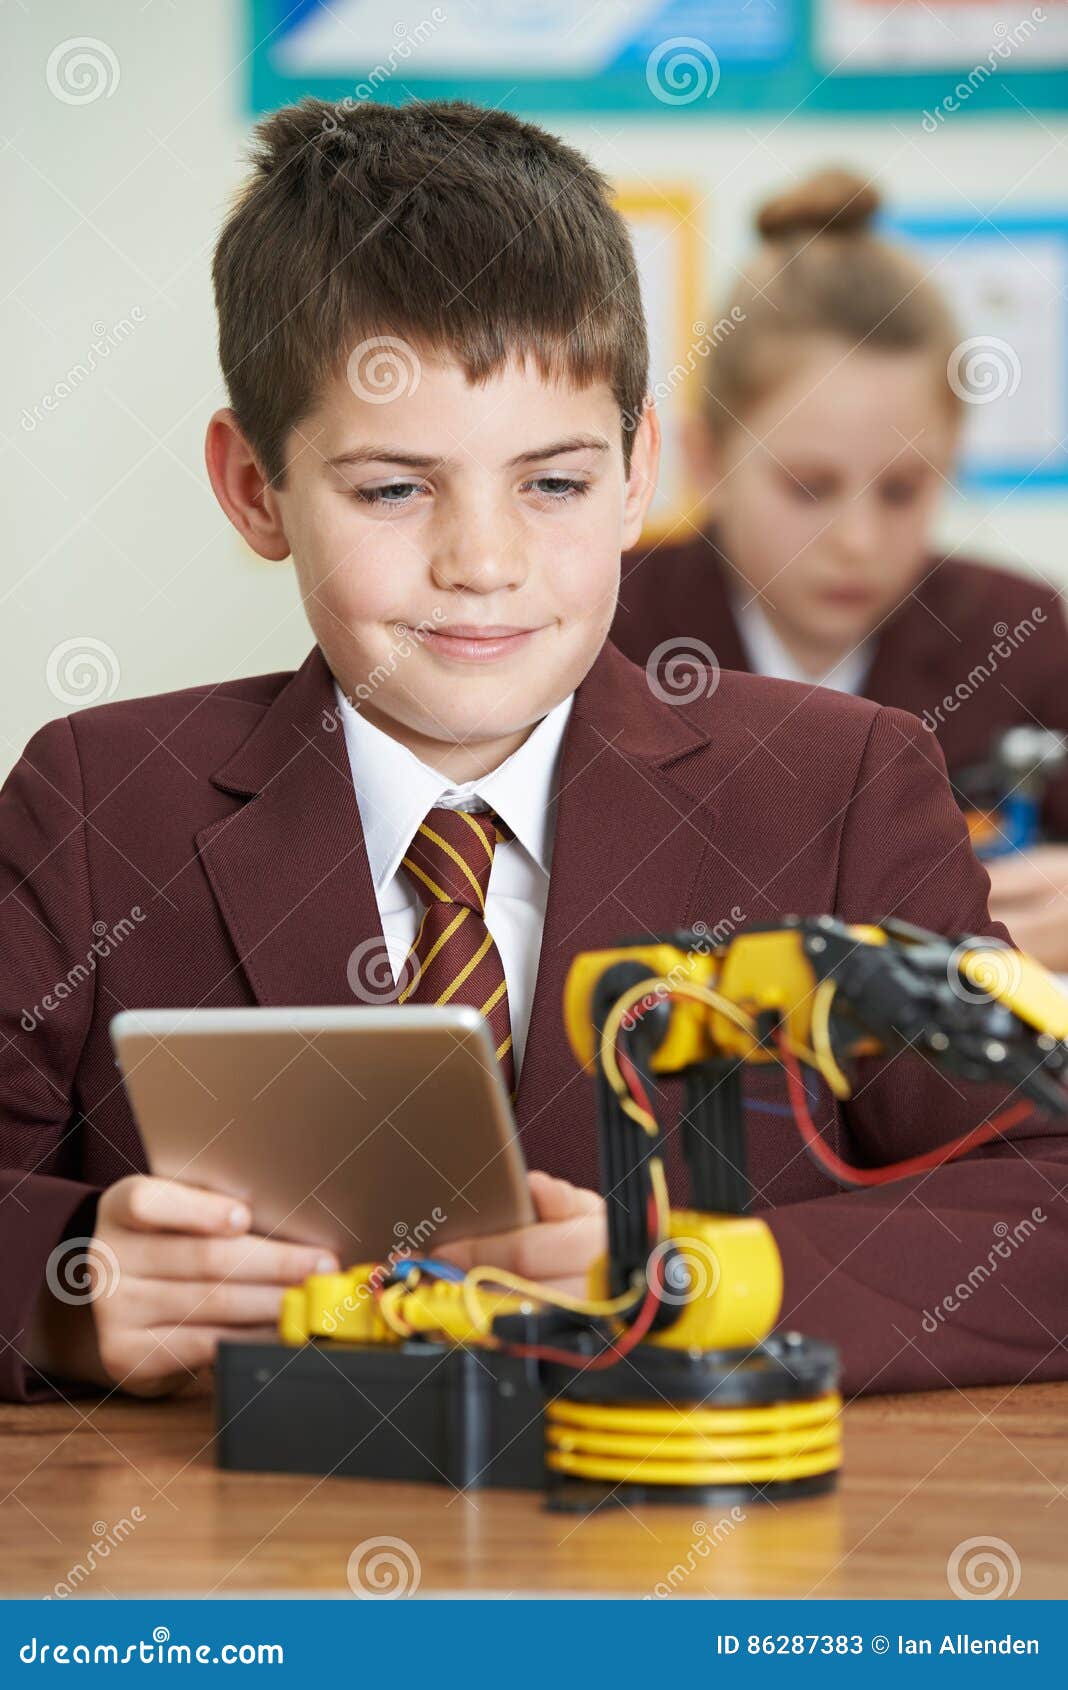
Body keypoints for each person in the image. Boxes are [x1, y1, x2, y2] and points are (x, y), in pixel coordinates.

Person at [1, 109, 1064, 1408]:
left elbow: (1043, 1211)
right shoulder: (100, 800)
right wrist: (64, 1280)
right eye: (395, 489)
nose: (484, 562)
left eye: (552, 484)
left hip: (699, 1576)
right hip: (251, 1571)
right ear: (254, 490)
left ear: (637, 473)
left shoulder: (843, 788)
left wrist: (699, 1279)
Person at [611, 168, 1068, 969]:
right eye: (807, 487)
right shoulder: (605, 623)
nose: (856, 539)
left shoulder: (1022, 638)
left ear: (951, 462)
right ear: (704, 458)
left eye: (901, 490)